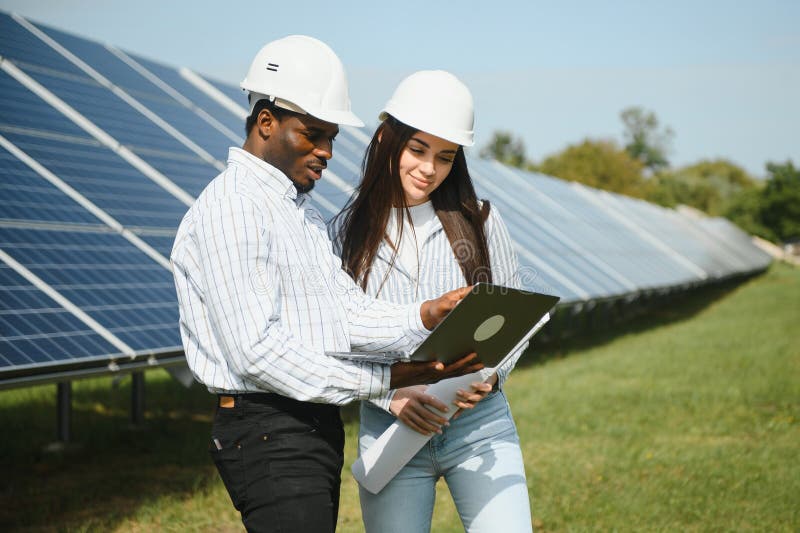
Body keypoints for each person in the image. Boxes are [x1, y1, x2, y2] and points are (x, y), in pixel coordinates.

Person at [170, 37, 482, 533]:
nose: (327, 152)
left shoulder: (299, 214)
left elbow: (344, 315)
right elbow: (257, 352)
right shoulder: (235, 207)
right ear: (266, 121)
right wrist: (387, 379)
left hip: (305, 425)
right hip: (267, 427)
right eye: (313, 134)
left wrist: (424, 315)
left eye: (332, 137)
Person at [330, 70, 533, 532]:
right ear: (386, 138)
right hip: (390, 433)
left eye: (445, 157)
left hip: (479, 427)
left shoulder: (479, 220)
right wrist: (391, 395)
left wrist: (494, 372)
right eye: (417, 149)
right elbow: (338, 335)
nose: (428, 168)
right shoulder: (345, 233)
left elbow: (515, 316)